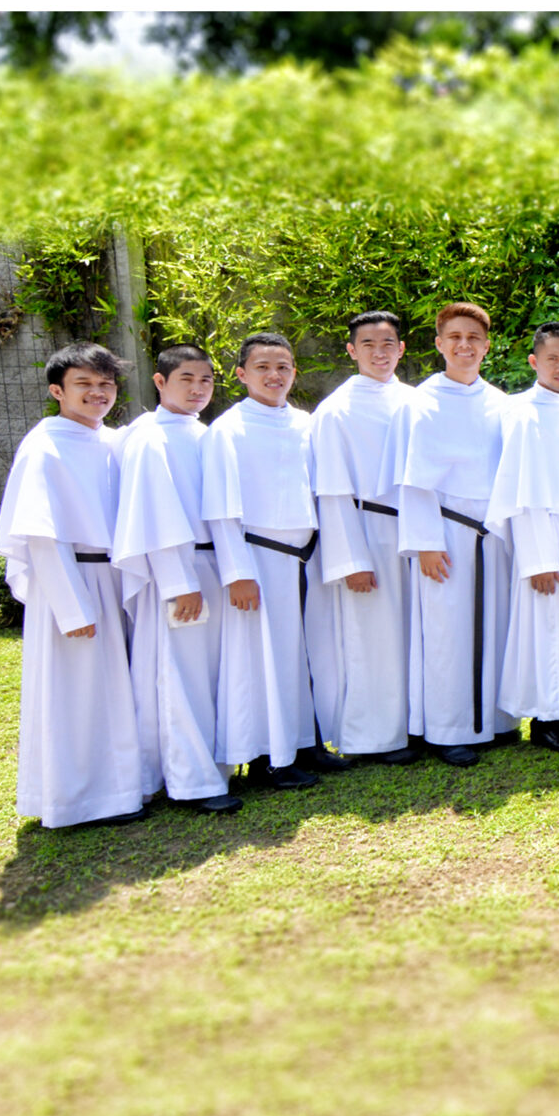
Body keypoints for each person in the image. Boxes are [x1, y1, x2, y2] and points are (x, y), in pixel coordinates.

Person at [0, 343, 149, 827]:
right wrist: (72, 609)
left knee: (115, 689)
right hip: (74, 580)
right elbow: (41, 536)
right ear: (57, 390)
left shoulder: (112, 440)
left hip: (113, 574)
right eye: (84, 384)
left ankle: (123, 789)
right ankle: (78, 800)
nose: (97, 393)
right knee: (79, 693)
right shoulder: (45, 446)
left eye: (105, 384)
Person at [380, 301, 518, 766]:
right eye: (455, 337)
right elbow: (412, 482)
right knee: (446, 632)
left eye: (474, 338)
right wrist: (425, 543)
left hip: (491, 534)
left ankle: (492, 721)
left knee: (493, 624)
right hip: (445, 534)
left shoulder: (500, 403)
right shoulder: (420, 403)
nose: (465, 346)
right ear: (439, 344)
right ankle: (446, 728)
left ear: (486, 346)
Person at [200, 332, 334, 789]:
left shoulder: (306, 423)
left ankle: (304, 741)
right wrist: (238, 573)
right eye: (263, 367)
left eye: (283, 367)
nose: (275, 376)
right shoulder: (228, 430)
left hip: (304, 557)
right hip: (258, 558)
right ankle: (267, 757)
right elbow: (221, 510)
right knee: (265, 660)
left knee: (304, 655)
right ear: (241, 374)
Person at [112, 345, 239, 813]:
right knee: (176, 677)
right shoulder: (150, 437)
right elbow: (155, 515)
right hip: (179, 574)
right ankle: (192, 782)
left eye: (206, 380)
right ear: (161, 382)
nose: (198, 388)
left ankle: (201, 767)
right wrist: (177, 583)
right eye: (187, 379)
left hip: (208, 566)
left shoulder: (201, 432)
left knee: (203, 677)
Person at [308, 310, 418, 765]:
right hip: (368, 529)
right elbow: (332, 493)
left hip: (417, 528)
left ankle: (418, 724)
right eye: (368, 345)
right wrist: (350, 559)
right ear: (352, 351)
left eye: (388, 343)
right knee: (372, 635)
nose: (379, 353)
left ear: (402, 349)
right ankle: (374, 737)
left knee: (417, 633)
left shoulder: (417, 400)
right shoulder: (336, 410)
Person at [486, 322, 559, 753]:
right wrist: (536, 559)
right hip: (544, 531)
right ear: (534, 361)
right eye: (553, 359)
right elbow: (522, 491)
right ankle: (550, 719)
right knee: (550, 626)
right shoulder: (520, 410)